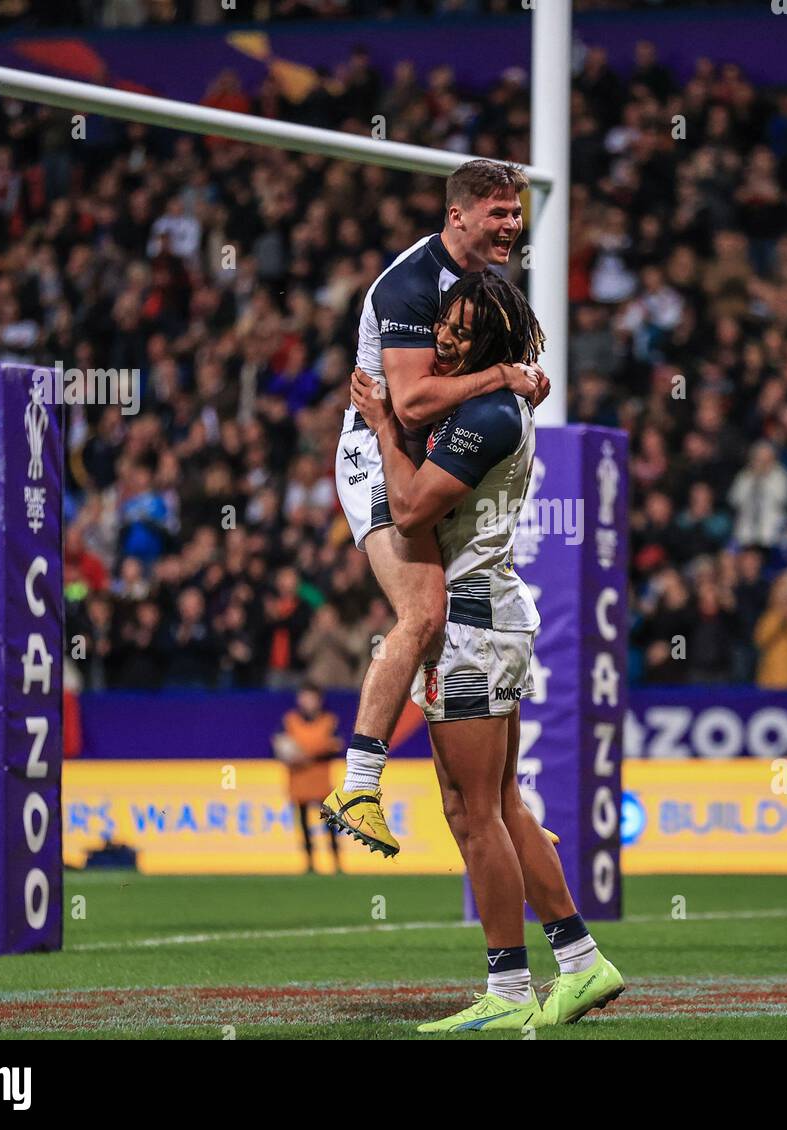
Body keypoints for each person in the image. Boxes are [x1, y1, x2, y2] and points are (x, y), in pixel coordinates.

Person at [350, 271, 624, 1032]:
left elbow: (406, 511)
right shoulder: (496, 404)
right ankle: (580, 962)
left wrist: (379, 426)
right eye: (446, 323)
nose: (446, 337)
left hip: (472, 622)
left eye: (466, 331)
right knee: (497, 805)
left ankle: (508, 994)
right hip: (489, 615)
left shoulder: (489, 416)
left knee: (474, 814)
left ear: (497, 342)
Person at [323, 159, 549, 858]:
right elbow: (412, 402)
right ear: (459, 215)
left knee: (441, 621)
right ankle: (357, 784)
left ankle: (504, 810)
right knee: (423, 613)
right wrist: (504, 377)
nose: (512, 224)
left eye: (516, 213)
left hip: (421, 456)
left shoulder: (482, 285)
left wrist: (521, 374)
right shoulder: (411, 284)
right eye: (499, 213)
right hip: (375, 452)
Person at [273, 683, 343, 874]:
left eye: (312, 698)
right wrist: (293, 755)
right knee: (303, 823)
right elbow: (279, 745)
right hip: (299, 781)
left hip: (321, 781)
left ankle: (336, 862)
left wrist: (307, 755)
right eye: (305, 697)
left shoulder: (329, 721)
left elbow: (336, 746)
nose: (308, 702)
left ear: (319, 700)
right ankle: (310, 863)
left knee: (330, 822)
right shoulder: (290, 720)